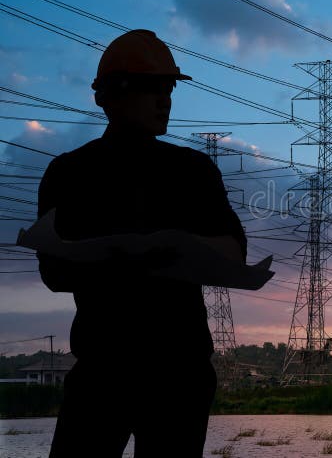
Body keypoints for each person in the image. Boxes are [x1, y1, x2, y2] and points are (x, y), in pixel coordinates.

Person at [37, 29, 247, 457]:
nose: (165, 100)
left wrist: (152, 250)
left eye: (168, 89)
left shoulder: (193, 170)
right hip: (104, 372)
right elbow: (53, 271)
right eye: (151, 88)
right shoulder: (69, 174)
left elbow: (235, 253)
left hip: (177, 375)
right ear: (109, 97)